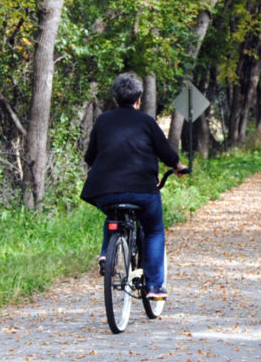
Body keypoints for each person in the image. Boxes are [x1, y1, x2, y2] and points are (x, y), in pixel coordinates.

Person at [80, 73, 189, 301]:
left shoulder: (102, 121)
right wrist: (177, 166)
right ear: (138, 100)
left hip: (104, 190)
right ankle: (155, 287)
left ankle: (105, 253)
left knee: (113, 214)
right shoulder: (146, 122)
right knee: (154, 230)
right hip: (142, 191)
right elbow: (165, 151)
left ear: (116, 97)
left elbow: (90, 156)